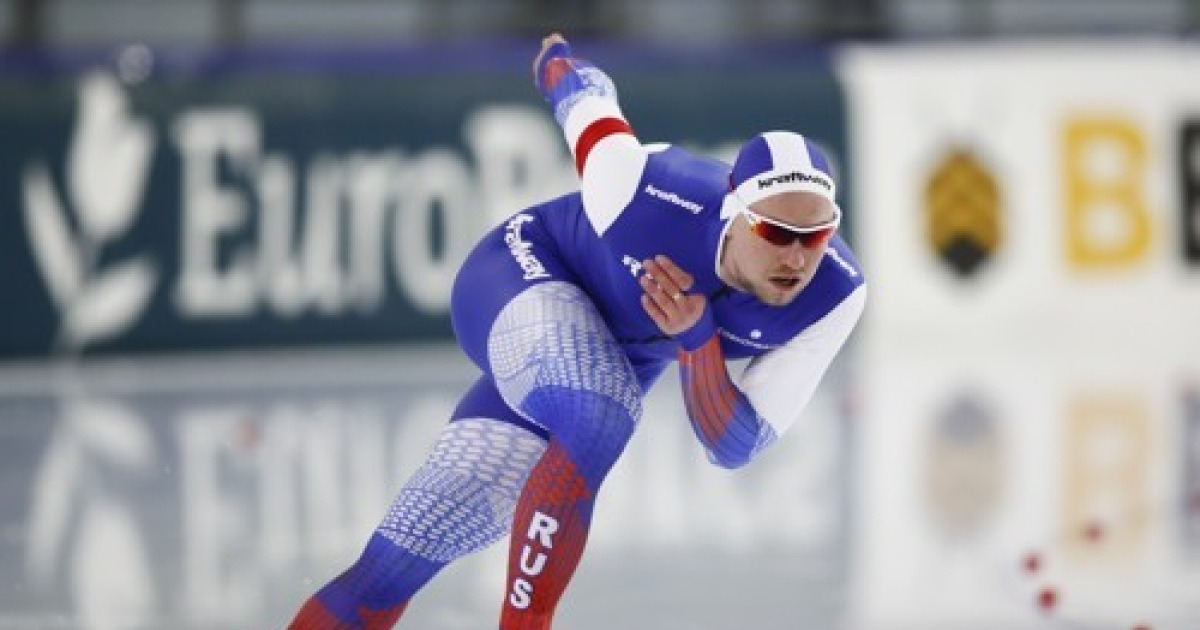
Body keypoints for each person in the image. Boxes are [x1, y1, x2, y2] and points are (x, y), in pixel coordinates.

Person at [289, 32, 866, 630]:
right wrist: (557, 61)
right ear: (735, 210)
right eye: (775, 233)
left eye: (816, 236)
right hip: (521, 274)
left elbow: (733, 445)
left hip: (605, 363)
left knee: (399, 562)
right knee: (599, 411)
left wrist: (698, 341)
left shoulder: (836, 295)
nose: (796, 259)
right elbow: (587, 104)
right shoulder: (643, 188)